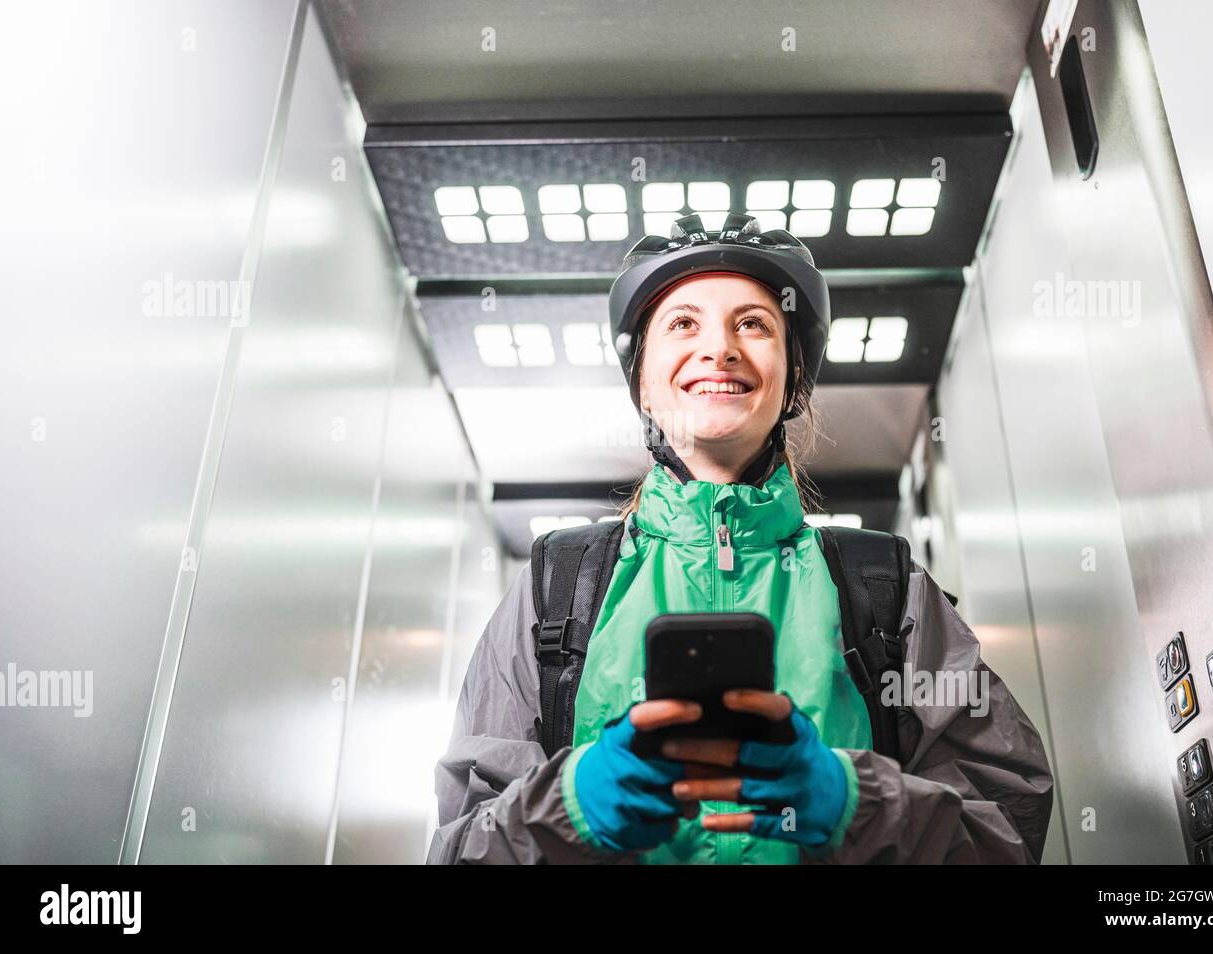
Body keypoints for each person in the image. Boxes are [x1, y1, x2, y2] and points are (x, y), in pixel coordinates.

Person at [428, 212, 1054, 864]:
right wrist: (572, 806)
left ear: (793, 384)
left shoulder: (889, 591)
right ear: (643, 381)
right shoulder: (554, 589)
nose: (719, 348)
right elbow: (457, 848)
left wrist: (851, 803)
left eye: (753, 323)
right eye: (683, 323)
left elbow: (1005, 832)